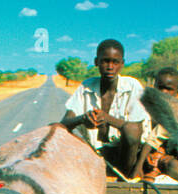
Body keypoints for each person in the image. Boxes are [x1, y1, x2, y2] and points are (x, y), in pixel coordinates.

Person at [60, 39, 148, 178]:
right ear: (96, 62)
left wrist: (107, 118)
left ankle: (124, 175)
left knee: (132, 130)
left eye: (115, 62)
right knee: (54, 128)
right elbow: (64, 122)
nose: (110, 66)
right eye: (105, 61)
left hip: (124, 157)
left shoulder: (132, 86)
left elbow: (135, 129)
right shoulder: (86, 86)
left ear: (122, 64)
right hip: (94, 154)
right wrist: (83, 118)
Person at [138, 67, 178, 178]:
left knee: (176, 167)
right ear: (154, 87)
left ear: (177, 92)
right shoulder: (143, 108)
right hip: (145, 153)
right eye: (160, 88)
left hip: (171, 155)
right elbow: (148, 139)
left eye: (169, 89)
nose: (164, 92)